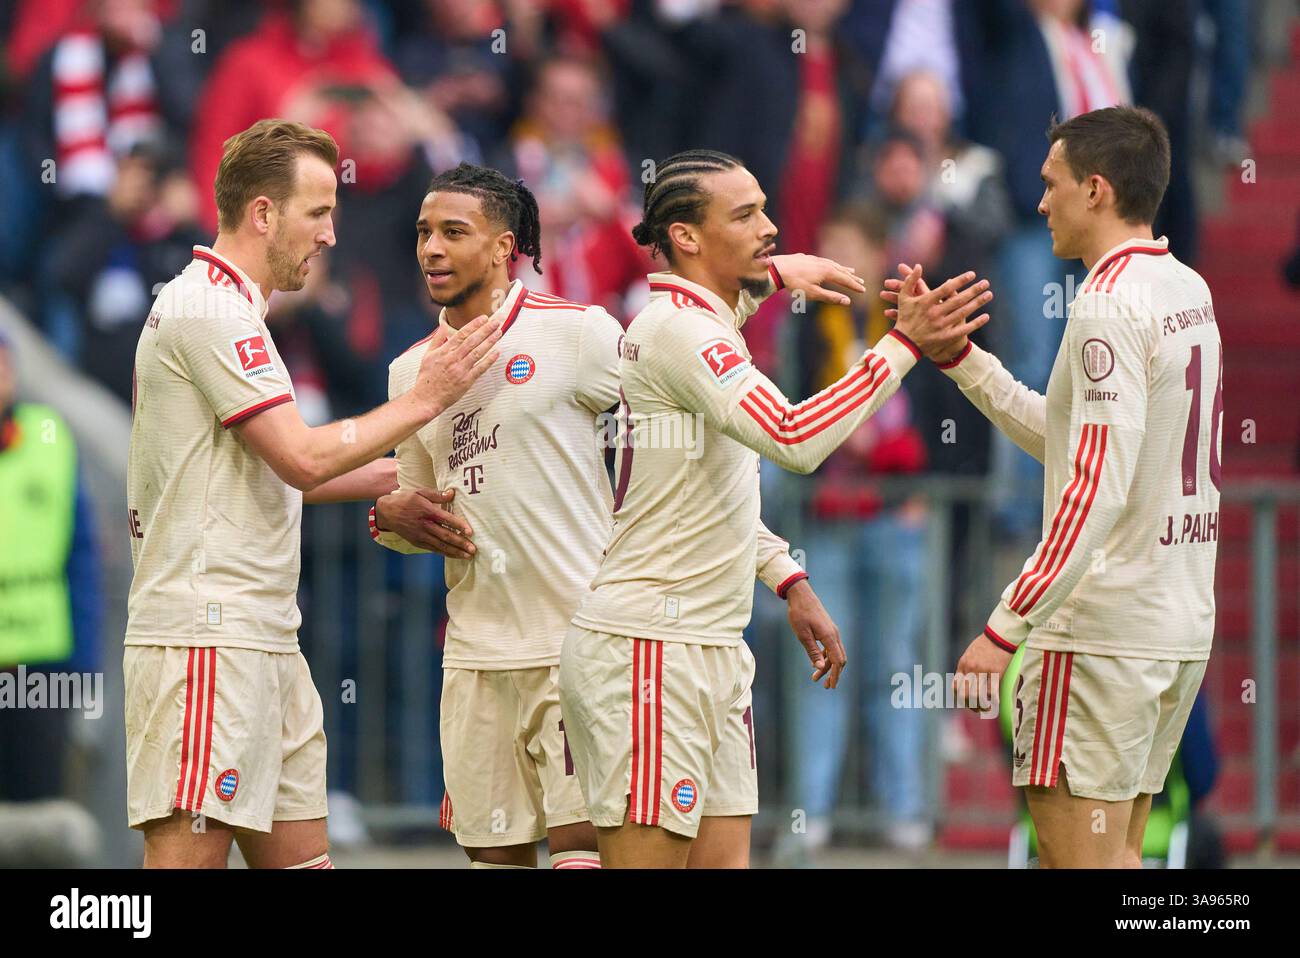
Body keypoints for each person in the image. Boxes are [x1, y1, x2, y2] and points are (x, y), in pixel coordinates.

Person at [558, 149, 991, 868]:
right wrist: (902, 343)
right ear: (688, 238)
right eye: (746, 214)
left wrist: (787, 577)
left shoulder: (704, 320)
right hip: (648, 653)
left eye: (764, 206)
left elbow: (710, 493)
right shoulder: (679, 332)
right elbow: (795, 439)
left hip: (712, 650)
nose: (771, 225)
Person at [124, 119, 502, 869]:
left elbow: (263, 468)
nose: (333, 234)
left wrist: (416, 482)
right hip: (208, 638)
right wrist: (425, 400)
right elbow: (300, 455)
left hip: (264, 639)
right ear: (263, 214)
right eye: (320, 211)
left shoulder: (236, 315)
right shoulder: (210, 312)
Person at [886, 105, 1221, 868]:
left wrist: (1005, 625)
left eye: (1051, 184)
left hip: (1100, 634)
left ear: (1096, 189)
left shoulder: (1106, 303)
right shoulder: (1184, 288)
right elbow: (1083, 449)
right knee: (1118, 864)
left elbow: (1093, 487)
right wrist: (963, 360)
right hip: (1173, 626)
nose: (1040, 203)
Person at [368, 163, 623, 870]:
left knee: (582, 849)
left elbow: (667, 422)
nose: (432, 249)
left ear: (503, 247)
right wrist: (390, 517)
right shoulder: (408, 371)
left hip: (575, 644)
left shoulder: (579, 334)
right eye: (423, 233)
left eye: (454, 232)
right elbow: (417, 508)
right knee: (493, 858)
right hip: (476, 657)